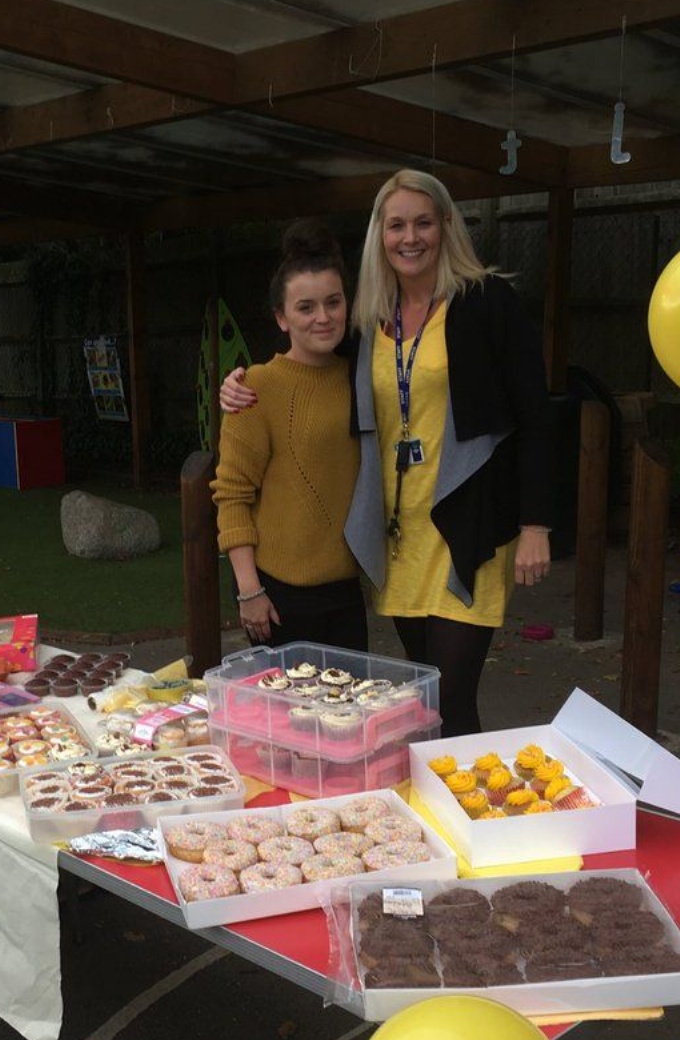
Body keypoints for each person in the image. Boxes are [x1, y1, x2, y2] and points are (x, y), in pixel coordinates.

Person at [223, 170, 554, 734]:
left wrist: (536, 524)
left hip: (464, 528)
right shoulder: (370, 317)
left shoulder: (486, 301)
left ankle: (462, 813)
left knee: (451, 697)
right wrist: (240, 384)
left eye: (423, 222)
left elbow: (537, 416)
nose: (410, 236)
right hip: (399, 536)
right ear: (380, 233)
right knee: (424, 699)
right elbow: (309, 350)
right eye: (396, 224)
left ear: (446, 225)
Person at [211, 221, 366, 652]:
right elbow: (232, 495)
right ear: (282, 317)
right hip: (278, 597)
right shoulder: (256, 387)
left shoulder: (363, 377)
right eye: (306, 307)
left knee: (349, 718)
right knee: (286, 720)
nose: (323, 317)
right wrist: (249, 591)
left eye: (333, 303)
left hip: (347, 591)